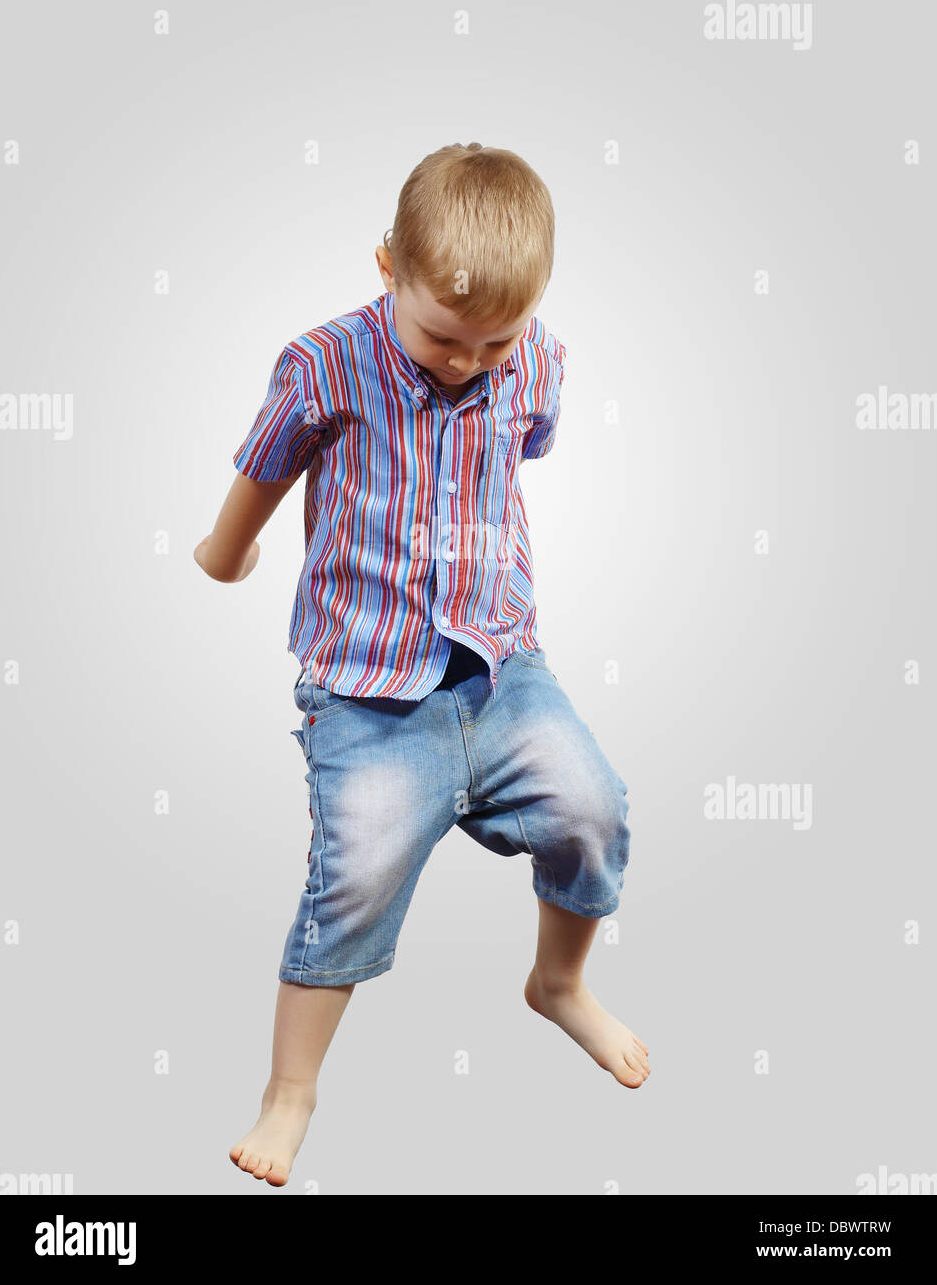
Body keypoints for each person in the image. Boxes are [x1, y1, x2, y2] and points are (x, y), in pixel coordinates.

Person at [194, 143, 649, 1188]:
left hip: (498, 662)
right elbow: (265, 470)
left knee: (594, 806)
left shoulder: (531, 360)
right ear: (385, 267)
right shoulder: (322, 364)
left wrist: (498, 357)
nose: (466, 361)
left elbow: (522, 444)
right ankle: (290, 1090)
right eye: (444, 336)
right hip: (365, 681)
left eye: (493, 341)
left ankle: (556, 983)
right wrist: (226, 555)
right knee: (350, 877)